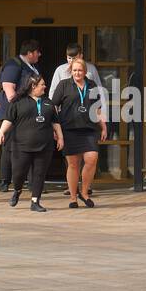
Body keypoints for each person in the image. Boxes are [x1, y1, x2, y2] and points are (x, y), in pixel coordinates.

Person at [0, 75, 63, 212]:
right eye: (42, 84)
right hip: (21, 146)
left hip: (44, 146)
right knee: (18, 174)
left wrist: (61, 138)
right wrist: (1, 133)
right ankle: (17, 190)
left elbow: (55, 123)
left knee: (39, 174)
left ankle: (35, 201)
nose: (45, 86)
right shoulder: (17, 102)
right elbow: (8, 120)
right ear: (33, 86)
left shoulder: (48, 103)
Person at [50, 56, 107, 208]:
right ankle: (73, 197)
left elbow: (97, 108)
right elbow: (54, 106)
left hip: (89, 129)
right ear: (71, 71)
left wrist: (104, 126)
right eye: (74, 70)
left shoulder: (92, 84)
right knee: (73, 164)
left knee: (91, 158)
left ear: (85, 71)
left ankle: (84, 192)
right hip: (69, 129)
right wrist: (56, 128)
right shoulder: (63, 85)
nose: (77, 73)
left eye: (80, 70)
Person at [0, 40, 42, 193]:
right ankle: (4, 181)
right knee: (9, 147)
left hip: (27, 113)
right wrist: (19, 109)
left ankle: (30, 182)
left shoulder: (32, 67)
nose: (39, 55)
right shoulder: (13, 65)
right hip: (13, 113)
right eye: (37, 52)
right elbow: (8, 88)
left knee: (28, 146)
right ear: (30, 53)